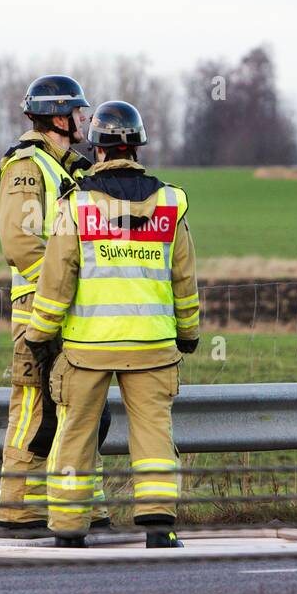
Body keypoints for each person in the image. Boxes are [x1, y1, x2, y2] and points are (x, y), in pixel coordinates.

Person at [23, 101, 200, 548]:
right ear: (137, 146)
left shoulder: (77, 205)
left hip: (88, 350)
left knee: (76, 434)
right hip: (153, 346)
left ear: (98, 149)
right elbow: (184, 278)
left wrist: (39, 334)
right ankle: (159, 529)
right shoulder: (169, 203)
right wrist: (190, 333)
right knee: (153, 433)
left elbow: (57, 279)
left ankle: (67, 531)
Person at [0, 75, 110, 531]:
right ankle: (19, 505)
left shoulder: (67, 168)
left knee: (82, 407)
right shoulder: (27, 166)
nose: (84, 120)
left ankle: (82, 503)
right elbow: (20, 242)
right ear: (59, 117)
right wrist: (57, 294)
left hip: (70, 310)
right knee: (35, 407)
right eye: (78, 113)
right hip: (39, 309)